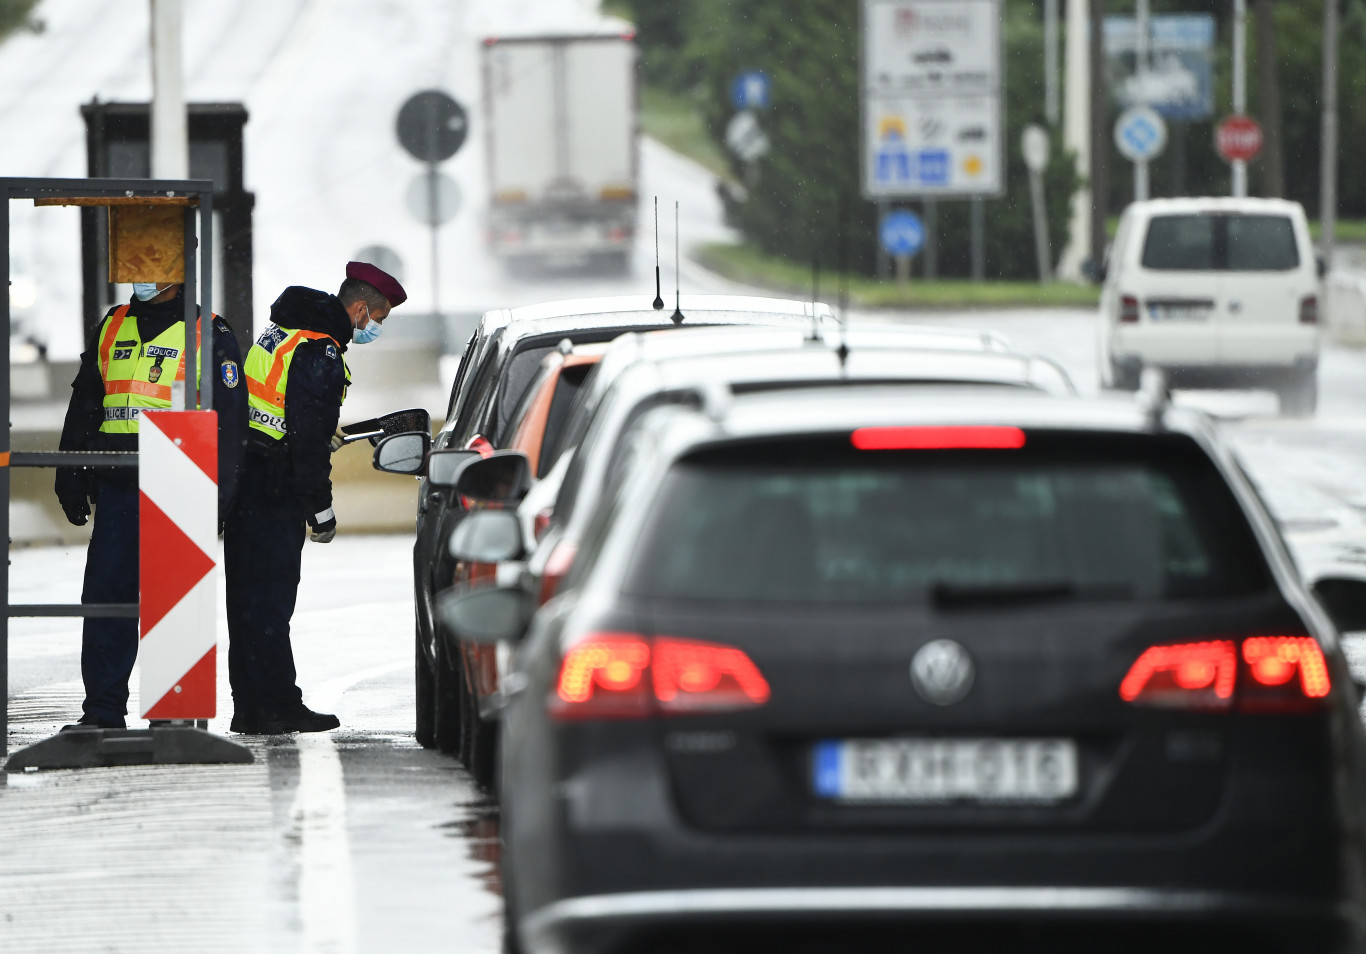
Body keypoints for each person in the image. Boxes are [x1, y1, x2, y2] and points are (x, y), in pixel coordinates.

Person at [224, 262, 405, 734]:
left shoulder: (284, 331)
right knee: (270, 603)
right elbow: (304, 440)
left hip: (247, 479)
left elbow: (276, 411)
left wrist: (312, 433)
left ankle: (251, 706)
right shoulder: (321, 350)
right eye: (378, 319)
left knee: (246, 602)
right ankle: (278, 705)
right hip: (274, 487)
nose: (375, 330)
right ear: (361, 308)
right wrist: (320, 511)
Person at [56, 281, 246, 729]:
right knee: (107, 598)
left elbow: (231, 422)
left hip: (179, 487)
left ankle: (172, 716)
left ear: (176, 272)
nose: (137, 275)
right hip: (119, 486)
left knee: (174, 601)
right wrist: (70, 472)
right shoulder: (113, 323)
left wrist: (221, 496)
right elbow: (86, 401)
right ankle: (102, 711)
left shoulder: (209, 332)